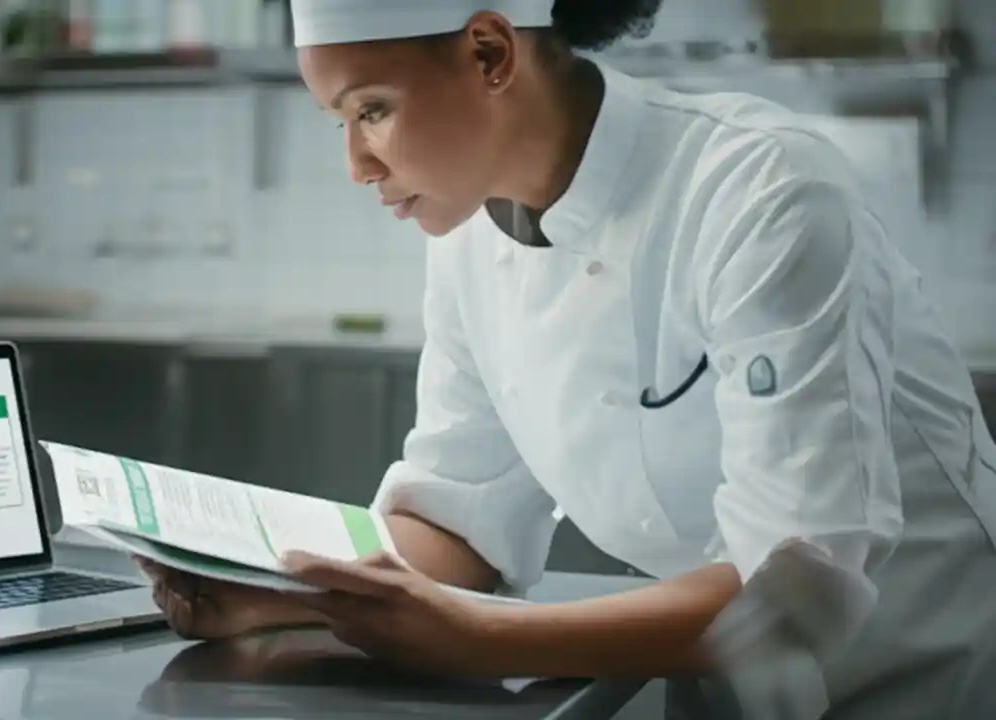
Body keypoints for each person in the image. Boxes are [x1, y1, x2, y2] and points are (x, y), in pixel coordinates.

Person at [138, 1, 996, 716]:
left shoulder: (761, 191)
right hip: (721, 682)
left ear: (489, 51)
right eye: (340, 120)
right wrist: (282, 593)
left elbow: (803, 584)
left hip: (923, 675)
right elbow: (459, 521)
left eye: (371, 111)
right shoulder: (470, 235)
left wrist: (473, 639)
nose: (357, 165)